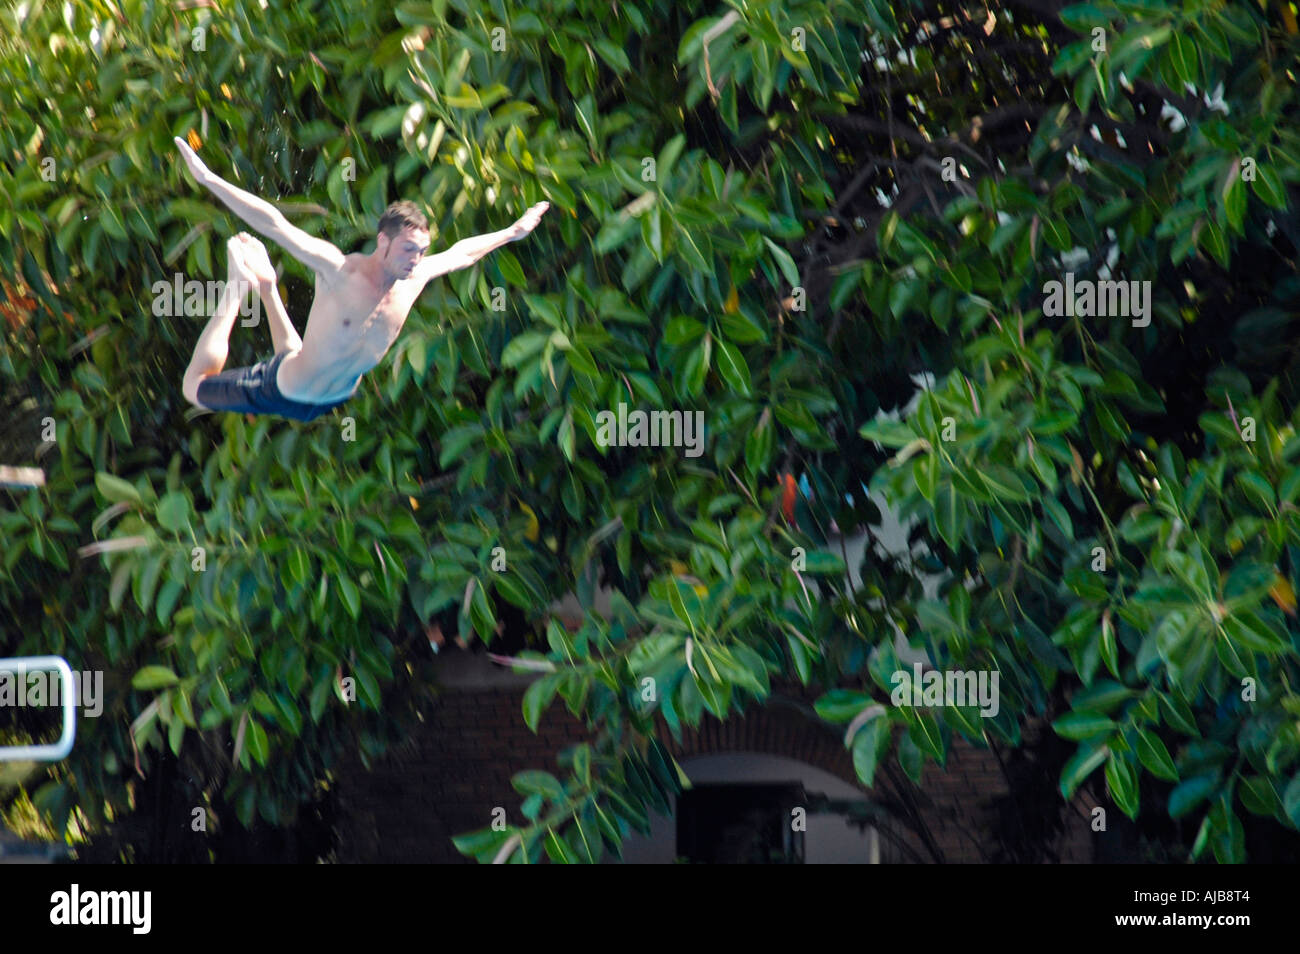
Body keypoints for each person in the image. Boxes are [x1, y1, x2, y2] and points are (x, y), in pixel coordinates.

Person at [173, 137, 549, 421]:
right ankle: (238, 288)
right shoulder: (338, 270)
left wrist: (511, 232)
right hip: (285, 391)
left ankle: (267, 287)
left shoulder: (415, 277)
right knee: (194, 388)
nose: (416, 260)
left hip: (332, 398)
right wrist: (208, 179)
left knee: (300, 355)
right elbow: (274, 223)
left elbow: (461, 254)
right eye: (407, 250)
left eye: (421, 251)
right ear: (382, 241)